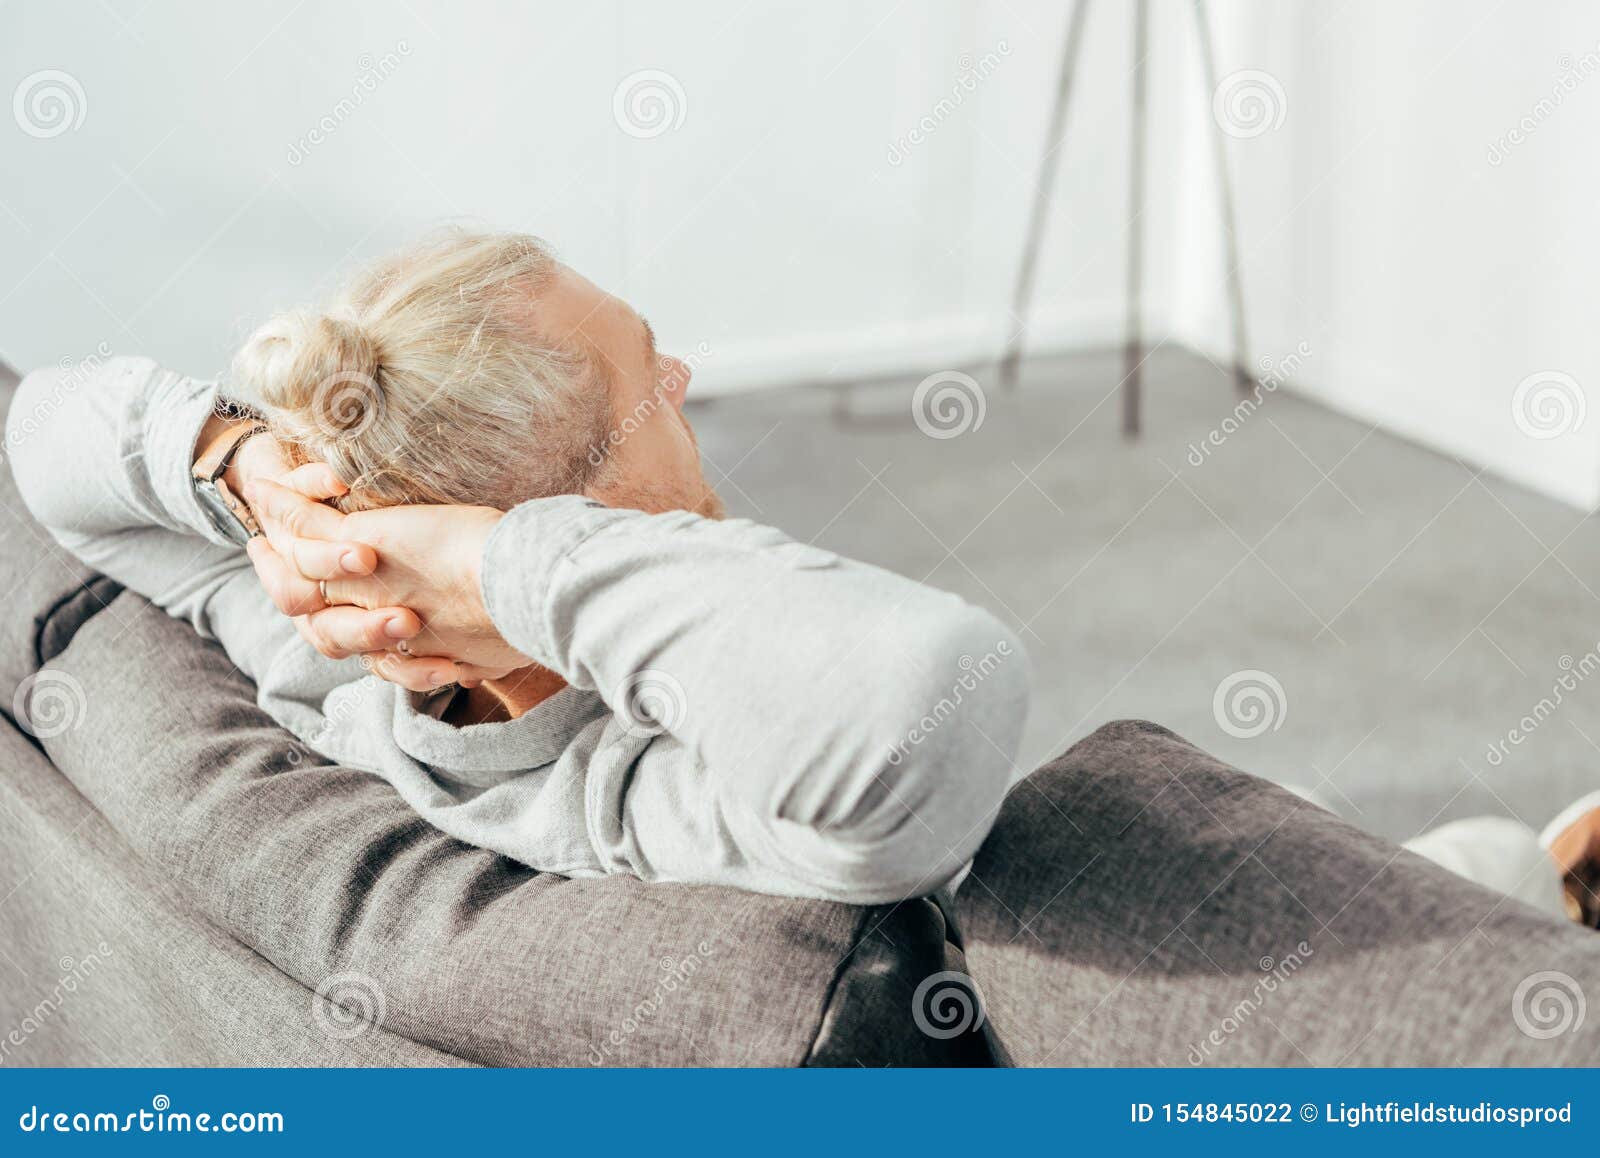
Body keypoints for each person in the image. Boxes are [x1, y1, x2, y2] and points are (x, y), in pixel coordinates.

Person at [7, 228, 1028, 905]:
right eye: (650, 381)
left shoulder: (322, 658)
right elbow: (938, 687)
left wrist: (234, 461)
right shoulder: (633, 786)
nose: (682, 378)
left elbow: (43, 436)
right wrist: (495, 566)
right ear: (581, 524)